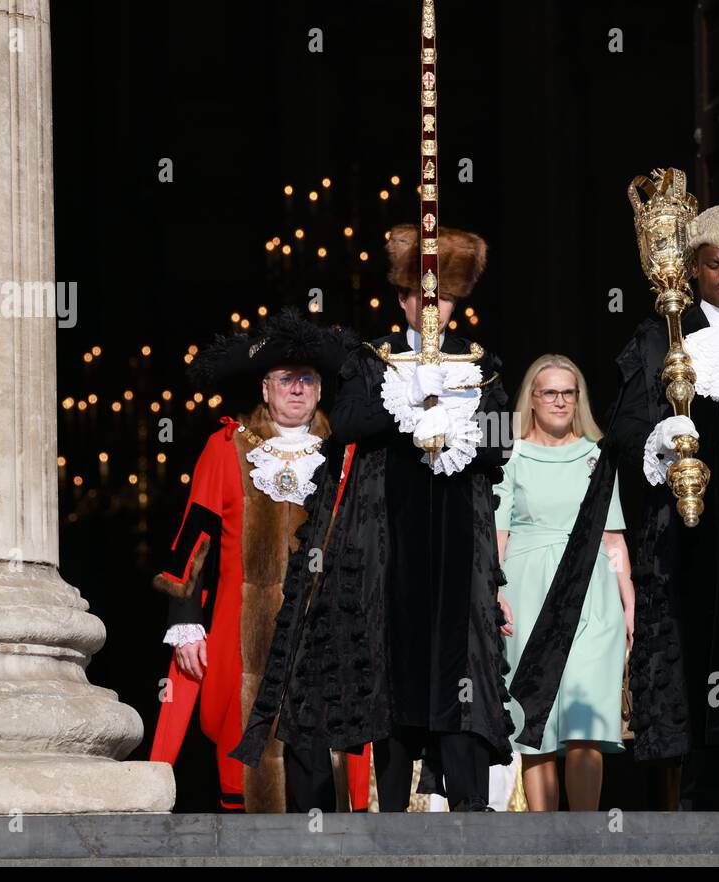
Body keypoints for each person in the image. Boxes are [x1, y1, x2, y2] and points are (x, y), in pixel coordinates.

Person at [511, 204, 719, 812]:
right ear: (694, 266)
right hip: (681, 534)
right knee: (689, 653)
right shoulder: (661, 337)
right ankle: (697, 785)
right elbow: (625, 425)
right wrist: (657, 441)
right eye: (716, 264)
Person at [231, 225, 515, 812]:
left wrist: (455, 423)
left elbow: (500, 444)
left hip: (459, 536)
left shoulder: (482, 365)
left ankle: (466, 795)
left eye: (441, 299)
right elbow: (353, 421)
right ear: (403, 299)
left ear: (458, 304)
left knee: (460, 659)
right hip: (387, 541)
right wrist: (409, 402)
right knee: (390, 662)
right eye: (418, 296)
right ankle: (392, 803)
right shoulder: (374, 357)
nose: (429, 307)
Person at [150, 309, 348, 812]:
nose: (297, 390)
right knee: (242, 748)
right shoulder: (226, 447)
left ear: (321, 391)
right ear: (265, 388)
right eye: (286, 379)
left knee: (318, 756)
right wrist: (187, 623)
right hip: (242, 630)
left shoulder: (345, 454)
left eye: (307, 380)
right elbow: (195, 540)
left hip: (322, 626)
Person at [495, 355, 633, 811]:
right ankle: (545, 843)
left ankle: (589, 839)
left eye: (568, 392)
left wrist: (628, 600)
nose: (559, 400)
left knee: (584, 720)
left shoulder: (598, 456)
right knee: (535, 720)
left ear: (578, 399)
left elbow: (612, 536)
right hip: (527, 591)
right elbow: (499, 533)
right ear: (531, 400)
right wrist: (493, 593)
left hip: (592, 592)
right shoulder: (511, 455)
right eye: (549, 392)